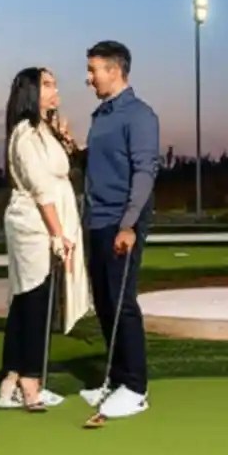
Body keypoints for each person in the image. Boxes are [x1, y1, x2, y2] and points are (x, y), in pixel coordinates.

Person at [70, 41, 161, 420]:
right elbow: (97, 165)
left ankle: (136, 388)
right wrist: (73, 150)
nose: (88, 78)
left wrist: (129, 224)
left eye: (93, 70)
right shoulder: (101, 115)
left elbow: (144, 172)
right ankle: (116, 378)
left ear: (115, 70)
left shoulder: (139, 115)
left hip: (122, 222)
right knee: (105, 304)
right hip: (96, 220)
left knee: (123, 303)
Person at [0, 68, 92, 412]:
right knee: (35, 303)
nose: (56, 91)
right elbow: (41, 191)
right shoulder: (25, 136)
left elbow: (62, 170)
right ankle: (31, 384)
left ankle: (10, 382)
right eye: (48, 84)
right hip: (34, 228)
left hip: (41, 226)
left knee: (24, 303)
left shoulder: (42, 131)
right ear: (31, 91)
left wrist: (66, 141)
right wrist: (58, 235)